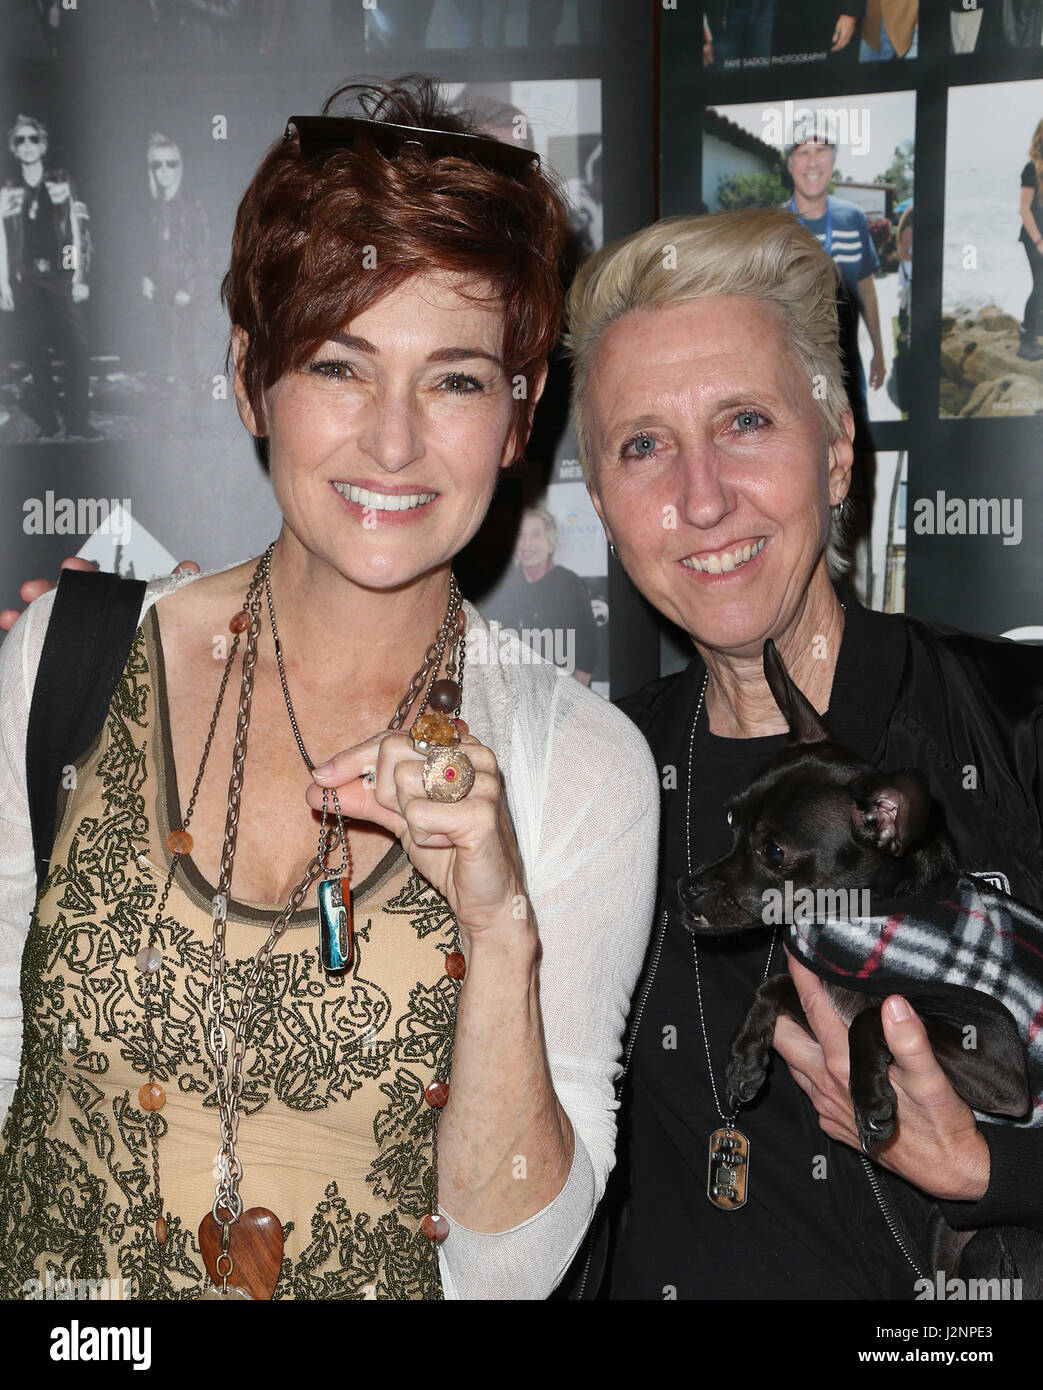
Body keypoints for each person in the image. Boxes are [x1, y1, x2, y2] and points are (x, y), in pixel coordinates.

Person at [0, 78, 658, 1301]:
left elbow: (507, 1272)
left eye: (455, 380)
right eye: (339, 367)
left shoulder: (578, 765)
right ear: (251, 378)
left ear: (518, 419)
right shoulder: (66, 663)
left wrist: (498, 931)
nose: (393, 443)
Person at [561, 206, 1043, 1299]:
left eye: (743, 421)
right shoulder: (586, 772)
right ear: (601, 505)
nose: (700, 498)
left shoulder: (1015, 727)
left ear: (835, 453)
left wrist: (993, 1170)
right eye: (643, 445)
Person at [0, 114, 97, 440]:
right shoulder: (8, 189)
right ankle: (48, 421)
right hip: (25, 278)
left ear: (43, 145)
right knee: (35, 349)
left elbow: (79, 230)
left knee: (77, 347)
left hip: (59, 276)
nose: (27, 145)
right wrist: (3, 283)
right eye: (20, 140)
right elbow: (1, 238)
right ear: (14, 148)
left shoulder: (62, 180)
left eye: (33, 139)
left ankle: (78, 422)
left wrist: (77, 275)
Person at [783, 131, 885, 419]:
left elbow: (866, 289)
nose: (812, 161)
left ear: (834, 159)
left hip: (848, 370)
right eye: (803, 152)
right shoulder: (775, 226)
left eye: (821, 151)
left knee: (856, 442)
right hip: (794, 374)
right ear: (790, 164)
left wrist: (878, 351)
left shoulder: (854, 218)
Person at [486, 504, 597, 685]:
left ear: (551, 544)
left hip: (562, 690)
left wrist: (574, 694)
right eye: (520, 535)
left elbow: (587, 647)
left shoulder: (569, 584)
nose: (526, 543)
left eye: (535, 534)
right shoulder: (503, 585)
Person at [139, 132, 211, 397]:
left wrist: (189, 289)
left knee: (188, 353)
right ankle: (172, 407)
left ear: (179, 166)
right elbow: (149, 248)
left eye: (170, 163)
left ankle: (196, 408)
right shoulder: (152, 207)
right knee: (166, 351)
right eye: (157, 164)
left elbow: (203, 252)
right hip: (161, 290)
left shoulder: (192, 206)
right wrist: (146, 278)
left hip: (186, 293)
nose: (164, 170)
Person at [1018, 122, 1043, 363]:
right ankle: (1026, 341)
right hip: (1034, 236)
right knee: (1040, 285)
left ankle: (1035, 329)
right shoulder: (1031, 168)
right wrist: (1038, 240)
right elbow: (1024, 208)